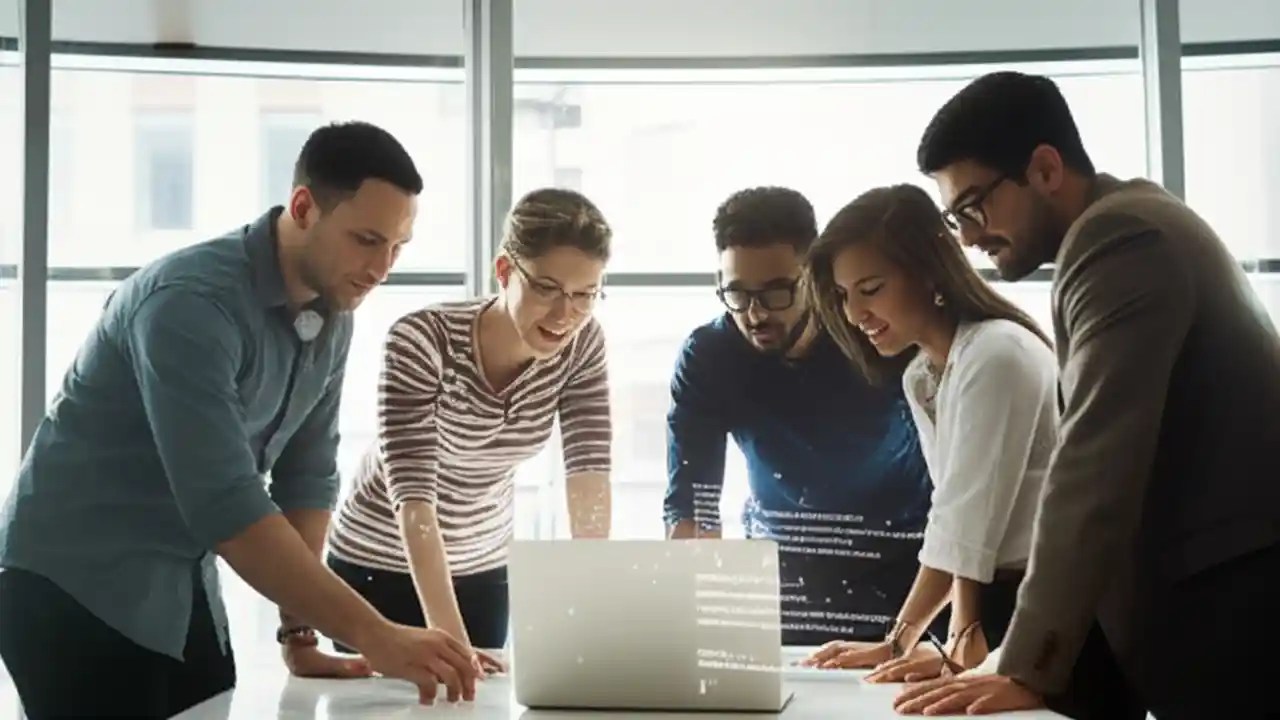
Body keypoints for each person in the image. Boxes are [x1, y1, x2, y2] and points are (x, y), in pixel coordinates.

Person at [0, 121, 479, 719]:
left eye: (397, 247)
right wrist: (375, 634)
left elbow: (307, 476)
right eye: (365, 239)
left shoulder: (333, 309)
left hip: (181, 583)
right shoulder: (188, 304)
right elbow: (227, 504)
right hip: (73, 585)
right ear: (303, 207)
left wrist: (300, 634)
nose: (381, 267)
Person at [891, 71, 1280, 720]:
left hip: (1236, 613)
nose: (966, 237)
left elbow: (1094, 467)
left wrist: (1025, 666)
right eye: (952, 217)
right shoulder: (1137, 222)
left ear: (1044, 168)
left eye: (973, 208)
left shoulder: (1120, 241)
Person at [325, 187, 614, 672]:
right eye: (547, 288)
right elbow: (414, 497)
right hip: (377, 565)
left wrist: (595, 604)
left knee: (476, 705)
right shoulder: (422, 340)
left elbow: (588, 473)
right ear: (505, 272)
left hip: (483, 566)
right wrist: (451, 642)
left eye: (585, 295)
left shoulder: (583, 343)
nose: (566, 315)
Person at [798, 184, 1057, 680]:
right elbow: (952, 519)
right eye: (843, 296)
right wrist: (900, 642)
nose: (855, 315)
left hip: (1048, 611)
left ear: (929, 270)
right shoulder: (922, 375)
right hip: (1001, 604)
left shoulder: (997, 355)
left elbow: (969, 520)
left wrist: (961, 637)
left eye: (871, 290)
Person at [663, 186, 937, 647]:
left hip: (906, 581)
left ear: (815, 275)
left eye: (776, 293)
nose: (754, 314)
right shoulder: (710, 355)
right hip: (782, 586)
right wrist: (694, 619)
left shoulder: (876, 335)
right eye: (736, 293)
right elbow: (695, 501)